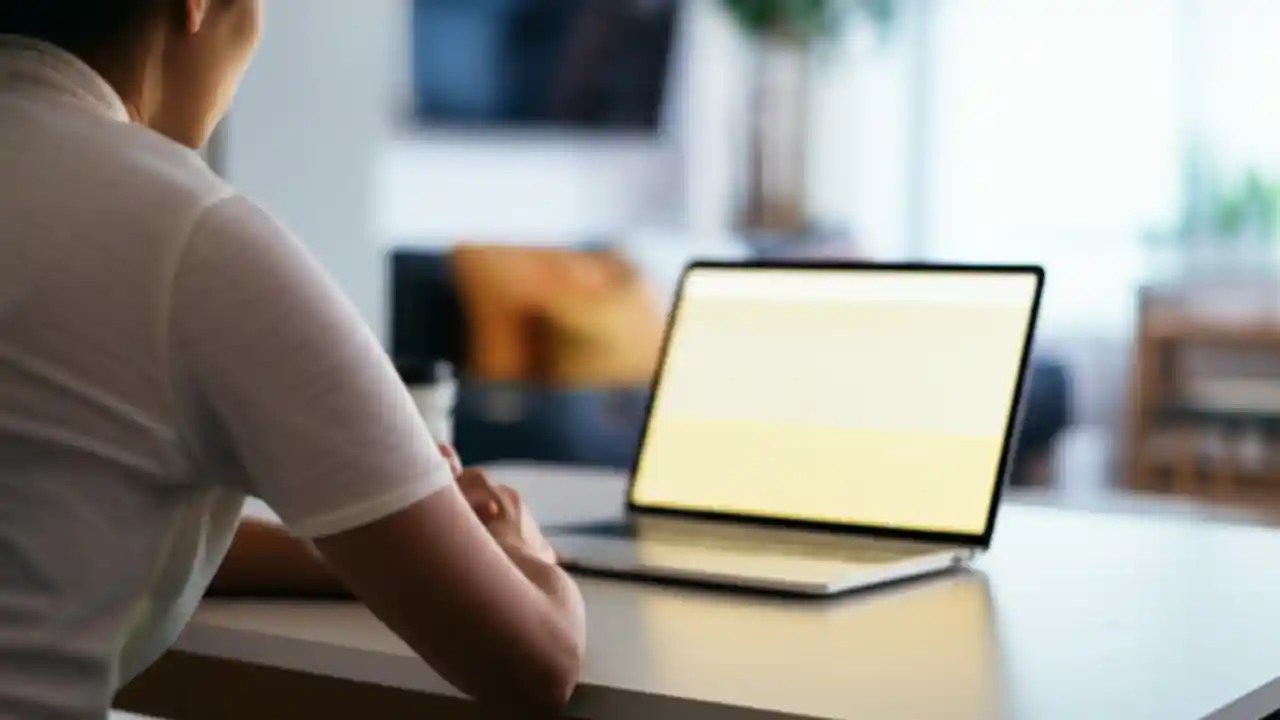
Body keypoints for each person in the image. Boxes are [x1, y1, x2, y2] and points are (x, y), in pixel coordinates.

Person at [0, 1, 586, 717]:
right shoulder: (190, 232)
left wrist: (393, 549)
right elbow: (536, 662)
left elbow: (55, 527)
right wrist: (521, 554)